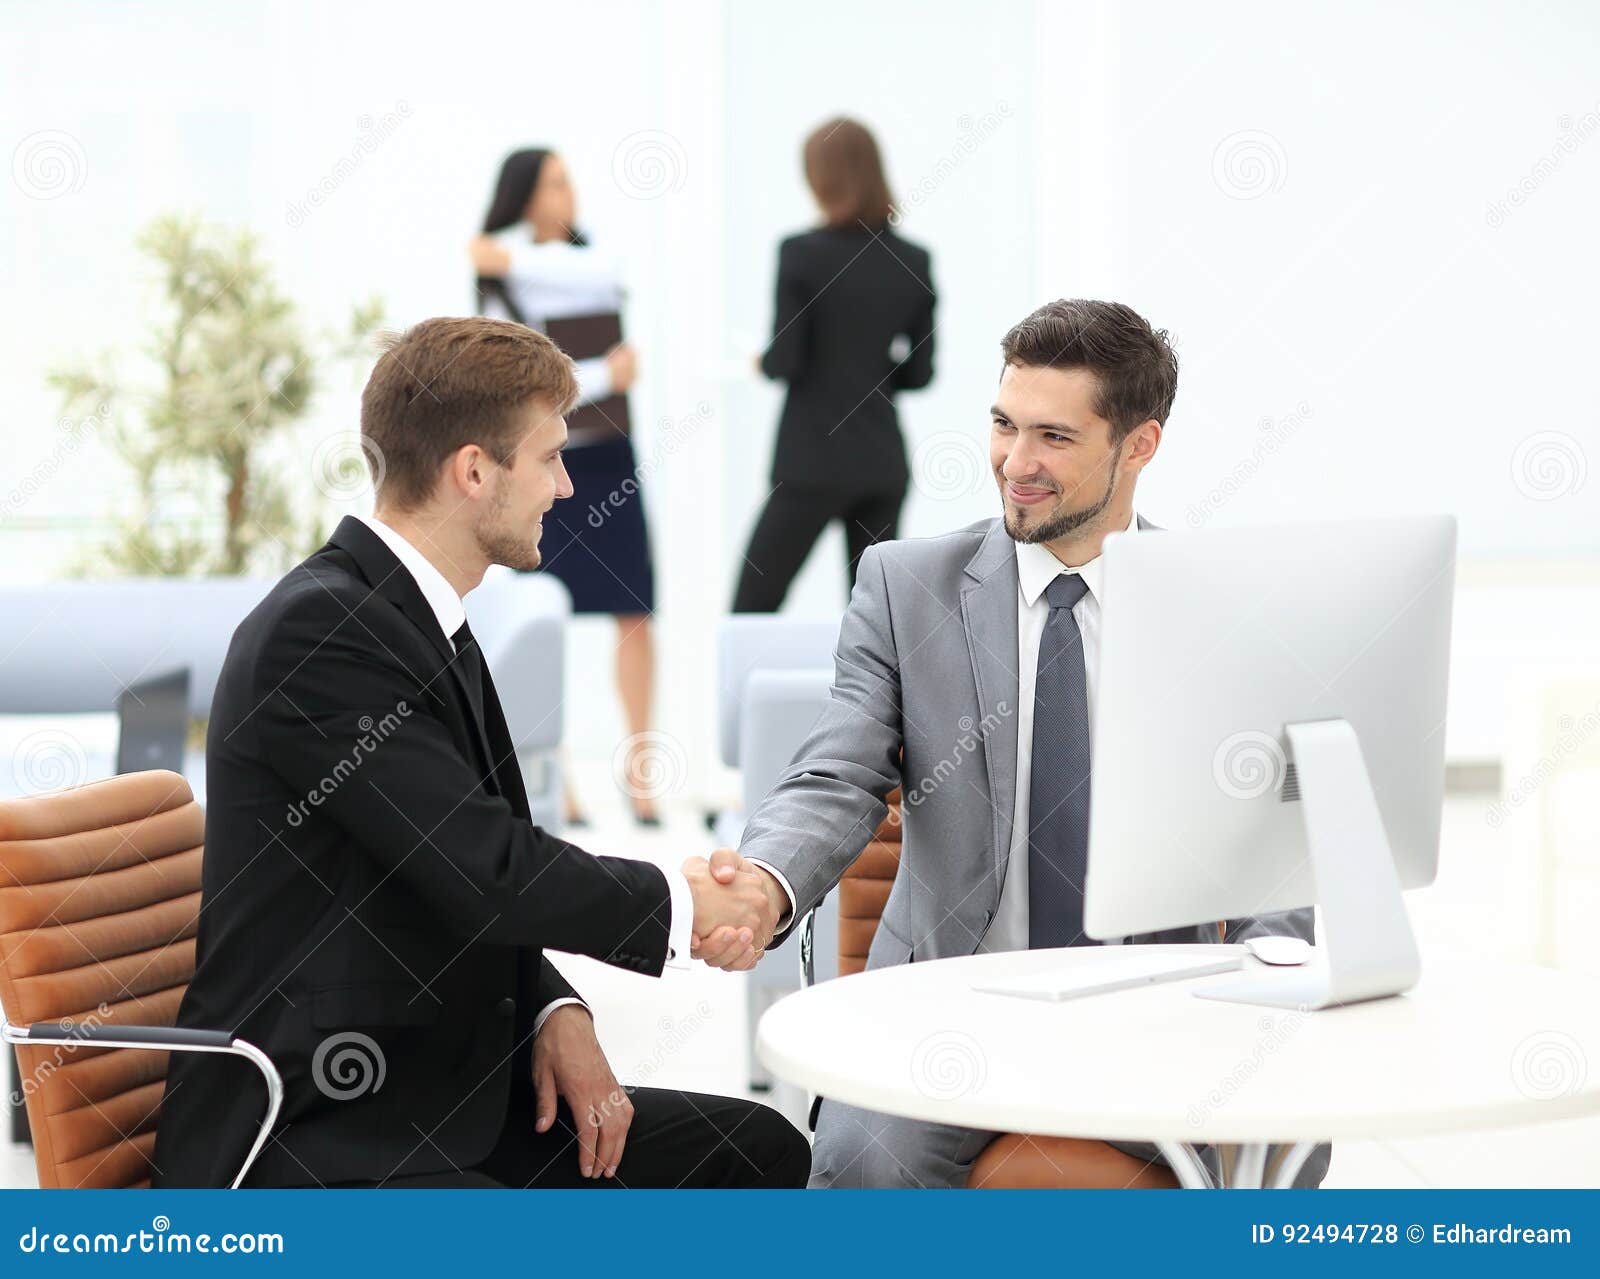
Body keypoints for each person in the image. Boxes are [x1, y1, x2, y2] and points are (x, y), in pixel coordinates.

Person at [153, 317, 805, 1189]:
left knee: (756, 1152)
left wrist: (553, 1008)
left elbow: (442, 873)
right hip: (319, 1132)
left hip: (442, 1094)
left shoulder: (415, 616)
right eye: (549, 460)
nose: (567, 487)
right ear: (472, 471)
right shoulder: (320, 636)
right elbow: (485, 868)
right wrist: (685, 908)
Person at [699, 299, 1330, 1190]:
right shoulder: (905, 586)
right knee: (860, 1165)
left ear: (1140, 444)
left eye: (1054, 438)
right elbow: (836, 774)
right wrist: (766, 880)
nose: (1015, 464)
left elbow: (1274, 848)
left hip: (1159, 1021)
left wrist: (1280, 972)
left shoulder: (1221, 609)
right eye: (1003, 424)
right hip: (951, 1012)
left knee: (1283, 1155)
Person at [469, 148, 659, 826]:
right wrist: (606, 375)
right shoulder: (501, 266)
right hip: (546, 463)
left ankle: (642, 774)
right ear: (523, 193)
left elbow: (607, 275)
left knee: (635, 609)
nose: (567, 193)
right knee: (546, 615)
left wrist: (517, 265)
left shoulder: (567, 260)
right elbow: (533, 381)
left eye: (569, 179)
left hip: (610, 452)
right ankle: (557, 779)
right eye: (553, 182)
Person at [731, 118, 936, 612]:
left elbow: (786, 361)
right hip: (881, 462)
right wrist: (869, 365)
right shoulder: (913, 259)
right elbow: (921, 373)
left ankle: (737, 695)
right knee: (875, 623)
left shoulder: (801, 254)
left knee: (752, 607)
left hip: (810, 461)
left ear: (819, 180)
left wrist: (761, 362)